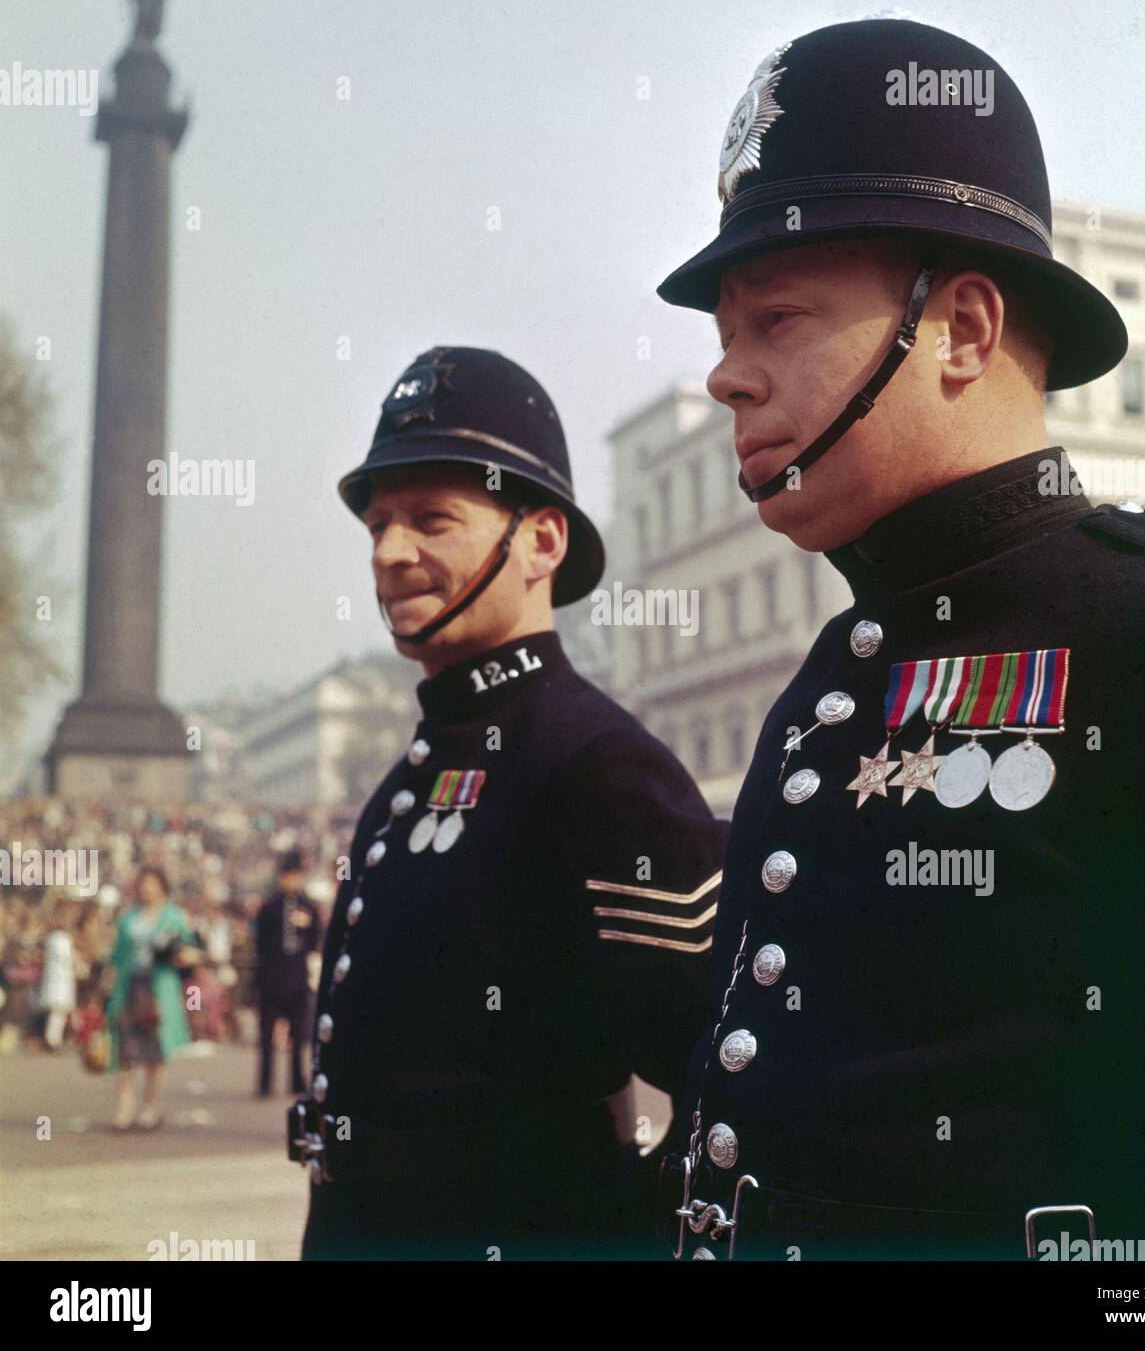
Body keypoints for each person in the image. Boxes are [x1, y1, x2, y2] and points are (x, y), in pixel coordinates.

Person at [652, 16, 1145, 1261]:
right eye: (725, 336)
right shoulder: (839, 676)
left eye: (775, 320)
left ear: (961, 329)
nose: (728, 376)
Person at [293, 346, 727, 1259]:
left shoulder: (597, 764)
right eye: (377, 525)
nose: (389, 553)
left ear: (542, 541)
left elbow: (724, 1065)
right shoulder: (426, 757)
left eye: (430, 520)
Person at [103, 867, 201, 1131]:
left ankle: (149, 1107)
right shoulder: (128, 918)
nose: (146, 888)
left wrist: (181, 957)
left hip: (159, 989)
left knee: (155, 1051)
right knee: (124, 1050)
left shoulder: (175, 917)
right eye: (142, 883)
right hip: (130, 985)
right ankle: (125, 1107)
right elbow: (116, 957)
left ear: (162, 886)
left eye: (151, 883)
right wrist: (106, 992)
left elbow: (192, 951)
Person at [253, 850, 322, 1096]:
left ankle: (296, 1081)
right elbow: (260, 942)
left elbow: (315, 940)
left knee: (298, 1036)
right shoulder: (269, 907)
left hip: (297, 979)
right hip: (271, 978)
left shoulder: (309, 907)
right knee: (266, 1037)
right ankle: (264, 1083)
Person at [39, 901, 78, 1051]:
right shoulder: (61, 939)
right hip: (60, 979)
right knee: (58, 1011)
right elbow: (67, 959)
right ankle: (52, 1039)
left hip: (58, 978)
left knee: (60, 1012)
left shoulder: (53, 937)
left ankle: (56, 1038)